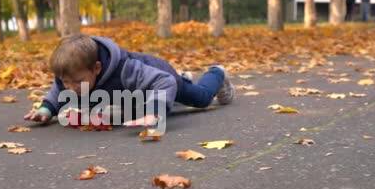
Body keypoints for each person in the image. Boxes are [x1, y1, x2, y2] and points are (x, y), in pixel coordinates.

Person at [24, 34, 235, 124]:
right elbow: (58, 89)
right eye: (65, 81)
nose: (70, 88)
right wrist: (46, 109)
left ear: (97, 68)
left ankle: (216, 73)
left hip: (161, 76)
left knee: (201, 99)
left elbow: (164, 83)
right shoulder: (72, 75)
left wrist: (154, 113)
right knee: (121, 109)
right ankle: (182, 79)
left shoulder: (126, 69)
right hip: (135, 93)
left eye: (77, 82)